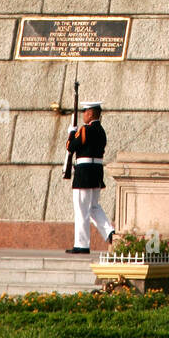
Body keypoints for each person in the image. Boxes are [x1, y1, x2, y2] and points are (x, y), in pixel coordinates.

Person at [65, 102, 115, 254]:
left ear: (91, 114)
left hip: (84, 174)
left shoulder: (86, 130)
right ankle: (109, 232)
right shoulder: (102, 131)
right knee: (93, 206)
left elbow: (71, 147)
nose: (83, 114)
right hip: (96, 173)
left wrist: (71, 133)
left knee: (81, 209)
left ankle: (82, 244)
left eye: (85, 112)